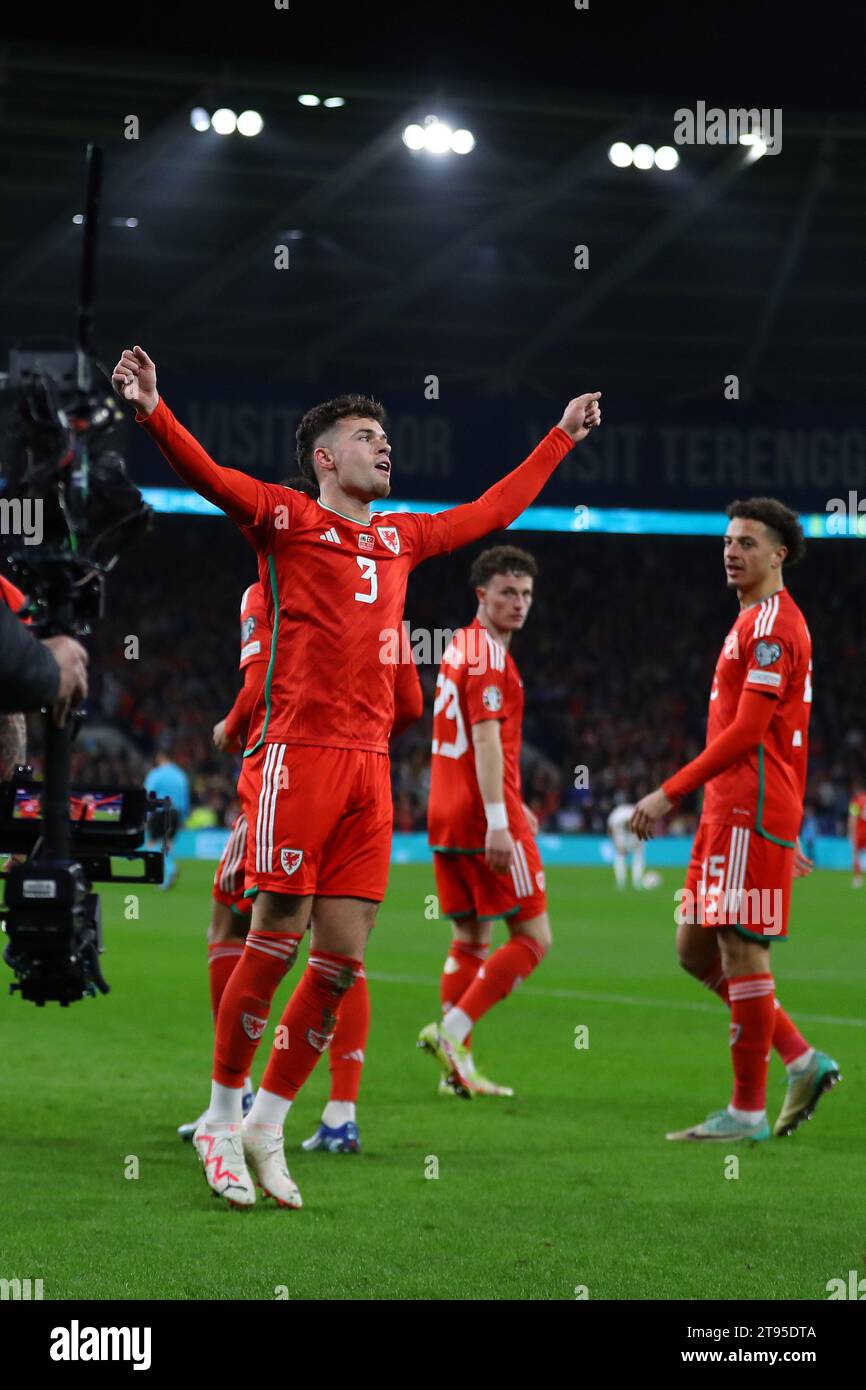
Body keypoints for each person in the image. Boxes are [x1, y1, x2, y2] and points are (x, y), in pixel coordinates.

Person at [113, 344, 598, 1209]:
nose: (385, 447)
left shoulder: (401, 536)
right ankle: (222, 1119)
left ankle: (269, 1122)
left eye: (386, 437)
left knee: (338, 961)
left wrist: (559, 437)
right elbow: (212, 478)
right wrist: (154, 409)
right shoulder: (287, 520)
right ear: (325, 457)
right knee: (275, 932)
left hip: (372, 768)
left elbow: (489, 512)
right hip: (297, 757)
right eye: (367, 436)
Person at [631, 498, 840, 1143]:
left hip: (747, 808)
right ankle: (802, 1058)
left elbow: (752, 731)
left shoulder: (773, 624)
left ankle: (746, 1111)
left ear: (778, 555)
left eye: (747, 542)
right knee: (693, 948)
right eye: (728, 540)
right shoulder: (750, 619)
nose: (731, 550)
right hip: (735, 810)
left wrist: (670, 791)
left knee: (740, 949)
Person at [418, 546, 548, 1099]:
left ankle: (455, 1072)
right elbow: (488, 739)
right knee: (534, 937)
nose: (517, 604)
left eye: (524, 594)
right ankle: (452, 1033)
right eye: (506, 593)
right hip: (480, 818)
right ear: (481, 596)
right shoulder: (491, 656)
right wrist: (501, 819)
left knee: (470, 935)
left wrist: (513, 805)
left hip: (445, 814)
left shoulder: (458, 649)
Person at [144, 744, 191, 890]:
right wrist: (183, 817)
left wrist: (146, 815)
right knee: (168, 842)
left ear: (160, 757)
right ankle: (169, 871)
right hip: (176, 812)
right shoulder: (180, 775)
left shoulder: (156, 774)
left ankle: (163, 873)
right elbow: (185, 798)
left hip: (160, 811)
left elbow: (148, 794)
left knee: (151, 843)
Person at [606, 803, 645, 889]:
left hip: (636, 832)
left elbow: (642, 831)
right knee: (620, 855)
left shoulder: (638, 818)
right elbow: (610, 830)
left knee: (638, 855)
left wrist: (638, 843)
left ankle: (637, 882)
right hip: (620, 833)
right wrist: (617, 844)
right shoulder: (616, 818)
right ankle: (621, 882)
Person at [847, 787, 866, 887]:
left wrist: (851, 832)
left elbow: (852, 817)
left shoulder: (857, 800)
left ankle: (857, 879)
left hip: (860, 833)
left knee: (856, 855)